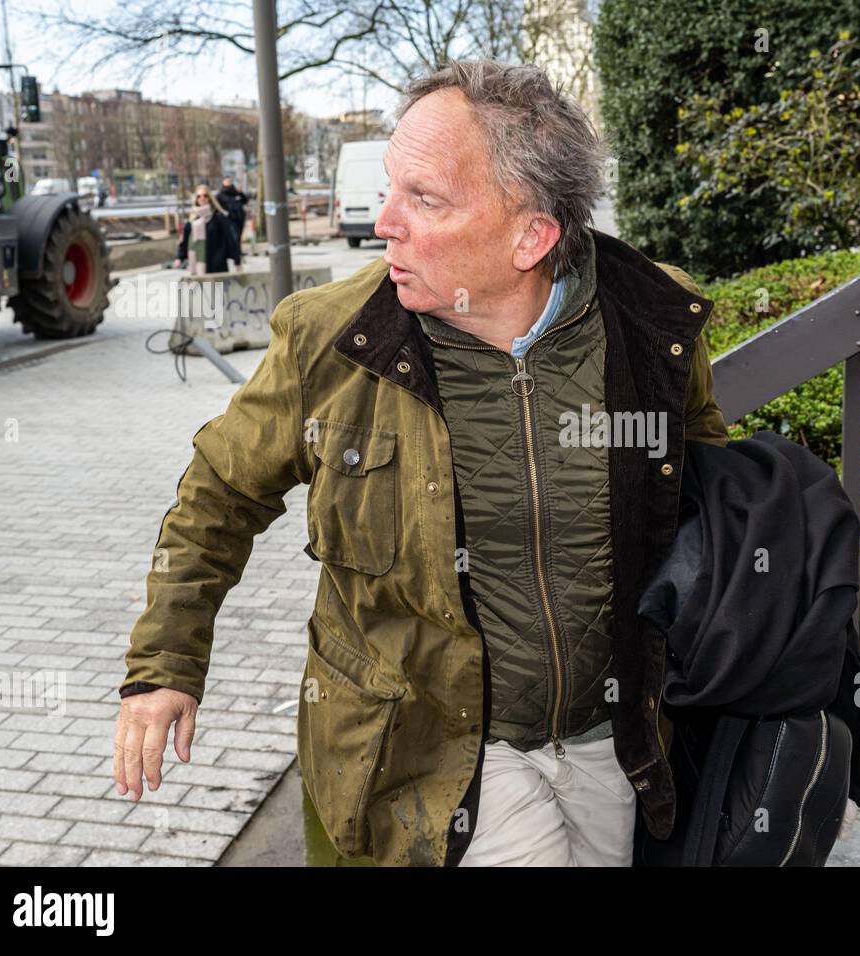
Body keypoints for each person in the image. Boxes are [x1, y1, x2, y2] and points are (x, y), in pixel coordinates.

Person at [114, 59, 729, 867]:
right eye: (390, 188)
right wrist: (165, 664)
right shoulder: (332, 340)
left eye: (425, 199)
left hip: (614, 743)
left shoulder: (653, 322)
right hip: (439, 753)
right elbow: (219, 494)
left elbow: (711, 492)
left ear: (531, 235)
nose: (384, 223)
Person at [173, 184, 242, 275]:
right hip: (198, 267)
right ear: (196, 199)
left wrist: (237, 262)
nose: (202, 198)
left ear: (209, 198)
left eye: (205, 195)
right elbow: (184, 242)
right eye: (199, 196)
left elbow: (231, 240)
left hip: (218, 266)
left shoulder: (219, 218)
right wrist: (179, 258)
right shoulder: (192, 221)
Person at [217, 176, 249, 256]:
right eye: (227, 181)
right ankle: (235, 254)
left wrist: (240, 193)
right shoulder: (220, 195)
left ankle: (237, 252)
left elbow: (245, 200)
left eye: (230, 181)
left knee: (238, 237)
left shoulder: (236, 192)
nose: (229, 182)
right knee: (234, 237)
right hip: (230, 220)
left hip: (240, 219)